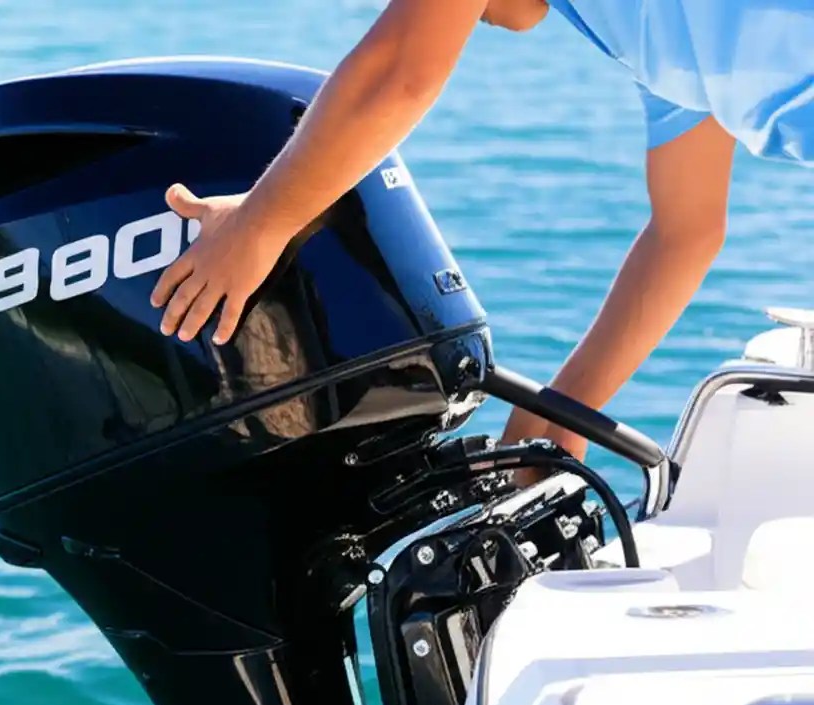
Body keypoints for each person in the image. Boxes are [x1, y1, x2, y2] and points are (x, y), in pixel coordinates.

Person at [150, 0, 814, 470]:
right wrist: (563, 409)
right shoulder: (656, 39)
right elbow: (685, 231)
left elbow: (400, 71)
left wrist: (259, 225)